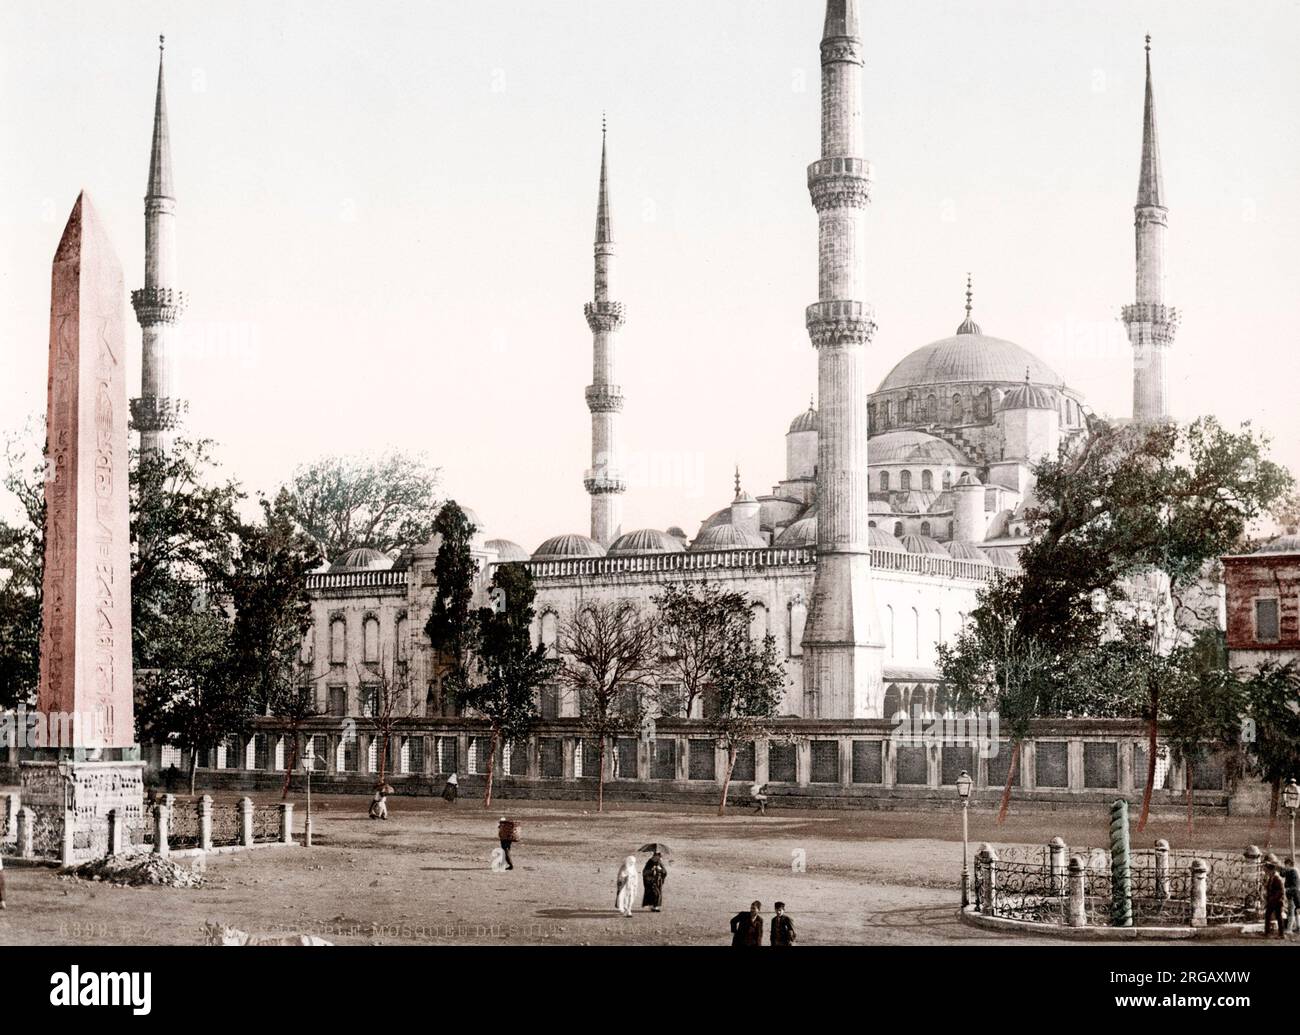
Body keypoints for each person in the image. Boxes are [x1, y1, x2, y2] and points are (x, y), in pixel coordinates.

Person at [1263, 860, 1285, 938]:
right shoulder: (1272, 877)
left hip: (1277, 901)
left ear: (1270, 870)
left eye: (1266, 870)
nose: (1266, 872)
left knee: (1278, 916)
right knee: (1268, 915)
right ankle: (1267, 932)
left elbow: (1281, 891)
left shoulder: (1276, 878)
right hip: (1273, 900)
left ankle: (1281, 934)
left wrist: (1273, 898)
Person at [1284, 857, 1300, 935]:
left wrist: (1287, 890)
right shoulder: (1293, 871)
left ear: (1289, 864)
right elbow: (1283, 874)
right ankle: (1298, 927)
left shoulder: (1293, 872)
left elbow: (1295, 886)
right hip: (1295, 893)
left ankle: (1289, 929)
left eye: (1286, 865)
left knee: (1291, 911)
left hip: (1293, 894)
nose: (1285, 867)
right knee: (1296, 911)